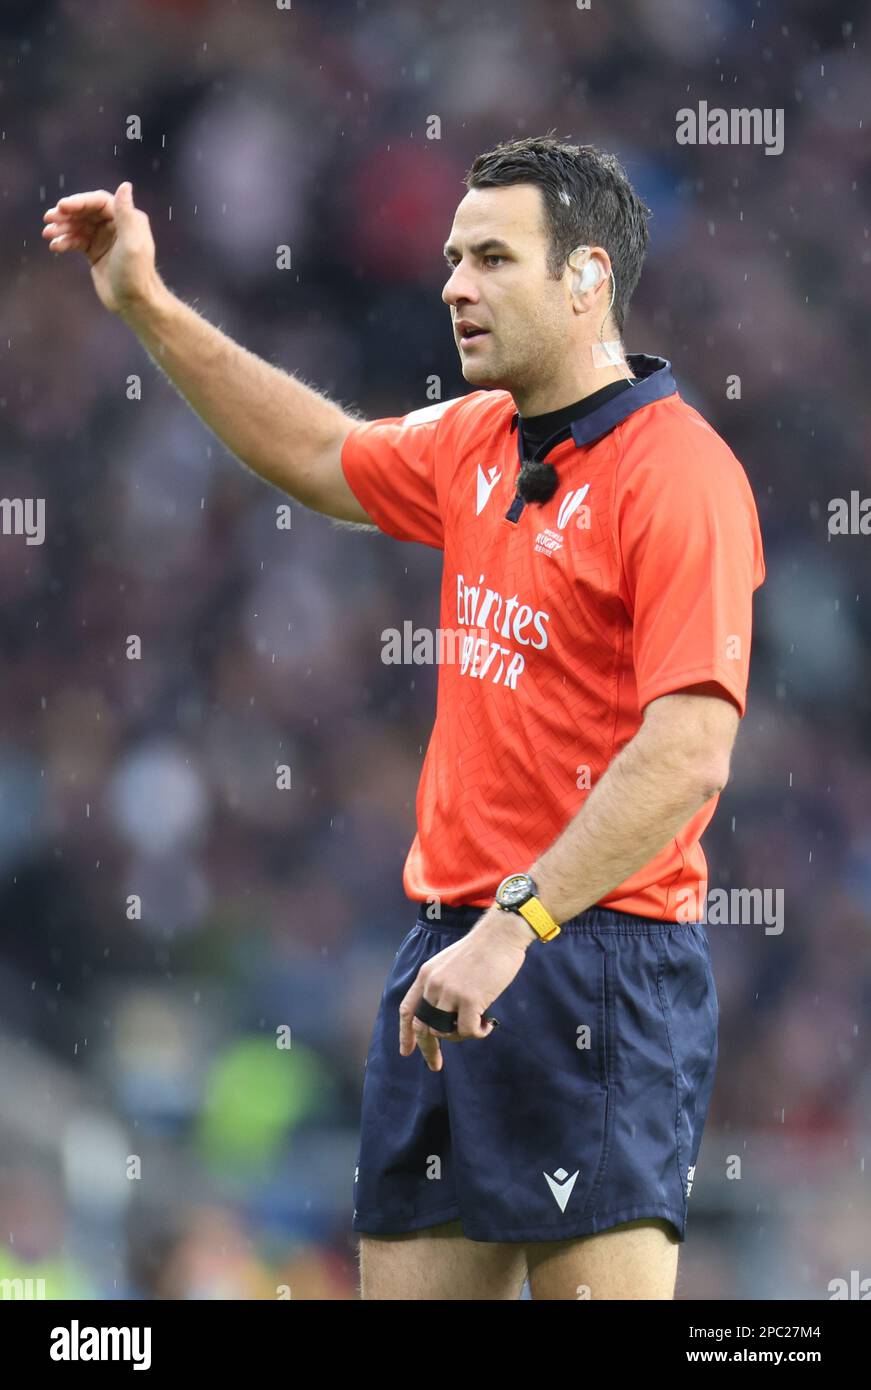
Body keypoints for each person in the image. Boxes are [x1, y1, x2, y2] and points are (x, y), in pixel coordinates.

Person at [42, 133, 765, 1301]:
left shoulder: (679, 474)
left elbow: (688, 751)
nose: (454, 287)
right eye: (451, 259)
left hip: (597, 961)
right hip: (447, 949)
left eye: (492, 259)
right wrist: (148, 305)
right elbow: (318, 451)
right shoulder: (478, 438)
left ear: (586, 278)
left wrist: (516, 925)